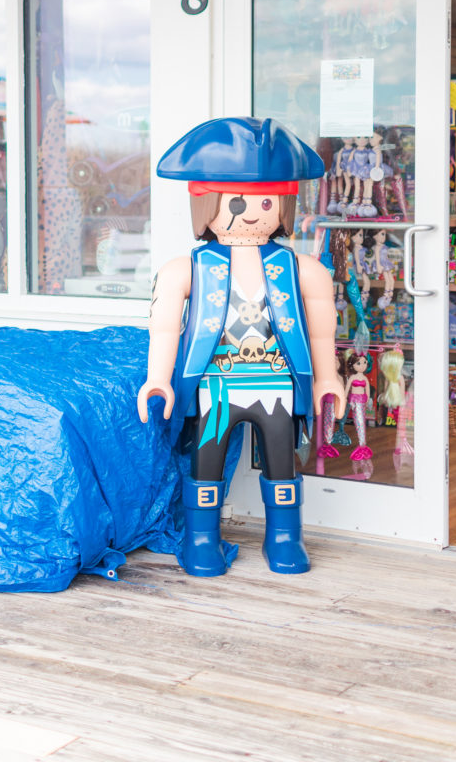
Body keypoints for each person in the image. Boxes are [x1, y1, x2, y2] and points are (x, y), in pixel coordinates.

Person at [137, 117, 345, 577]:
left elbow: (321, 331)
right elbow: (165, 327)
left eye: (267, 201)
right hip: (216, 384)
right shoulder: (188, 268)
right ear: (208, 204)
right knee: (205, 463)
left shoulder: (302, 268)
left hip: (276, 383)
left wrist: (328, 376)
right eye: (236, 201)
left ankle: (286, 537)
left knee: (281, 461)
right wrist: (158, 378)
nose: (253, 212)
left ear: (284, 204)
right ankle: (202, 538)